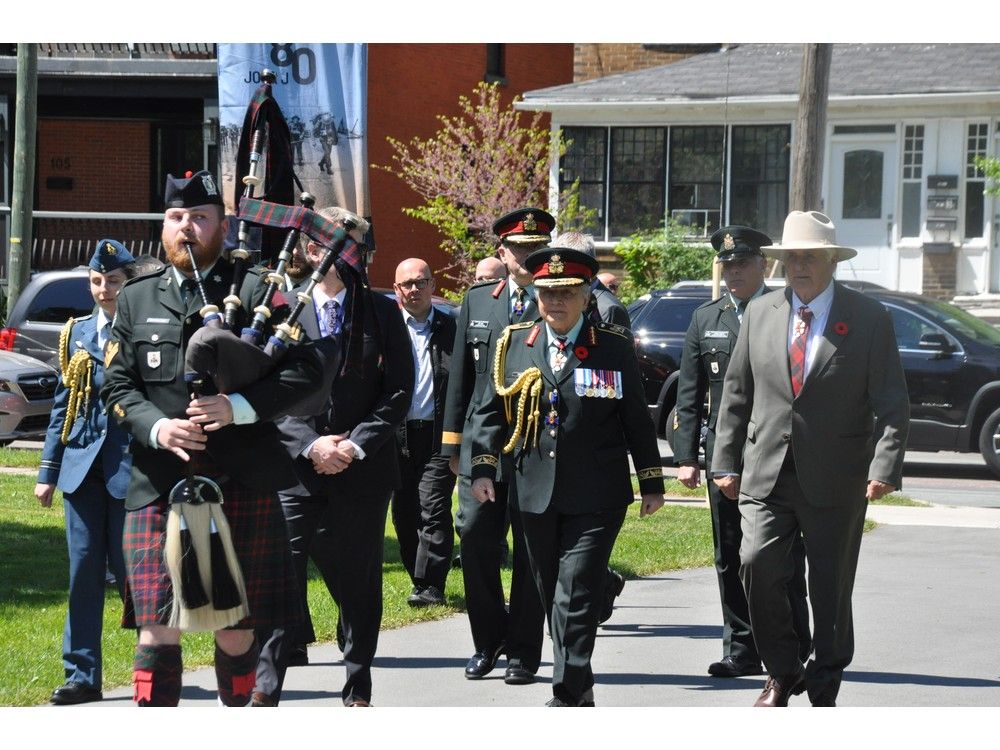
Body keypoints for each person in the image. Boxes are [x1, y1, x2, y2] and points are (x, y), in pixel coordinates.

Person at [101, 170, 330, 707]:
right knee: (156, 627)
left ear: (223, 227)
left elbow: (306, 371)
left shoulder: (256, 288)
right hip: (158, 482)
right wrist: (157, 427)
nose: (187, 228)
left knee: (236, 629)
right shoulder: (136, 298)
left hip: (241, 479)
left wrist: (237, 407)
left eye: (200, 218)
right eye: (177, 218)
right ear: (164, 225)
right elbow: (115, 382)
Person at [712, 210, 909, 707]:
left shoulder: (867, 319)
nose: (798, 265)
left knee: (830, 588)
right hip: (766, 472)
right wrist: (724, 459)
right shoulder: (760, 312)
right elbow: (737, 392)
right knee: (755, 564)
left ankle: (825, 679)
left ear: (830, 262)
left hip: (836, 478)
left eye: (809, 257)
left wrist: (884, 466)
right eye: (790, 257)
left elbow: (891, 399)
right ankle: (781, 671)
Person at [469, 246, 666, 707]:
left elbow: (636, 420)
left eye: (566, 293)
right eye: (546, 292)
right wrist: (483, 469)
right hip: (532, 490)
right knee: (551, 588)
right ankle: (580, 678)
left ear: (584, 297)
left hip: (597, 493)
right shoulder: (515, 342)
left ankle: (570, 687)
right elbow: (488, 412)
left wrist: (652, 482)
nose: (554, 302)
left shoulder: (612, 346)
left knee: (574, 590)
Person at [254, 206, 413, 707]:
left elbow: (399, 390)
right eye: (327, 246)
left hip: (361, 470)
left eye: (351, 249)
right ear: (310, 250)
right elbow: (264, 392)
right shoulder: (284, 308)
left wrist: (353, 443)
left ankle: (357, 679)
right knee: (281, 573)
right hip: (294, 470)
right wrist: (311, 443)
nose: (339, 257)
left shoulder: (382, 311)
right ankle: (266, 683)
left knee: (358, 578)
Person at [673, 226, 811, 679]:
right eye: (726, 265)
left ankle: (795, 643)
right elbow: (689, 394)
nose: (733, 272)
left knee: (780, 555)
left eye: (742, 264)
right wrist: (688, 458)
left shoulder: (787, 311)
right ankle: (741, 647)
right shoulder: (704, 319)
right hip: (726, 453)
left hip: (776, 450)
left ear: (763, 266)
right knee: (730, 551)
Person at [441, 207, 549, 685]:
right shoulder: (479, 300)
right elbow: (461, 378)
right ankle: (489, 640)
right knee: (477, 540)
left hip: (532, 445)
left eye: (535, 248)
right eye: (519, 250)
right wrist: (452, 445)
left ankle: (524, 652)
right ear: (501, 253)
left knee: (529, 551)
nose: (527, 257)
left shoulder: (559, 299)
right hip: (482, 446)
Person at [35, 240, 137, 705]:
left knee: (135, 572)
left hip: (129, 467)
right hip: (80, 467)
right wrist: (47, 470)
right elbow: (64, 406)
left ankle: (151, 666)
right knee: (83, 571)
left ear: (127, 283)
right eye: (97, 282)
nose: (103, 290)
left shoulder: (142, 329)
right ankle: (81, 674)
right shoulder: (76, 332)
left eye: (112, 282)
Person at [550, 230, 630, 622]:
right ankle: (602, 584)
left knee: (581, 561)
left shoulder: (608, 310)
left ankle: (597, 589)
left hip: (596, 449)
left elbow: (620, 389)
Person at [391, 258, 458, 607]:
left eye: (421, 282)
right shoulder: (387, 328)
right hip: (396, 437)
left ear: (433, 285)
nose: (414, 289)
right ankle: (416, 577)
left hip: (438, 436)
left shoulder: (452, 328)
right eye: (406, 284)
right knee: (403, 511)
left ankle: (431, 585)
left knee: (432, 506)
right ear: (397, 288)